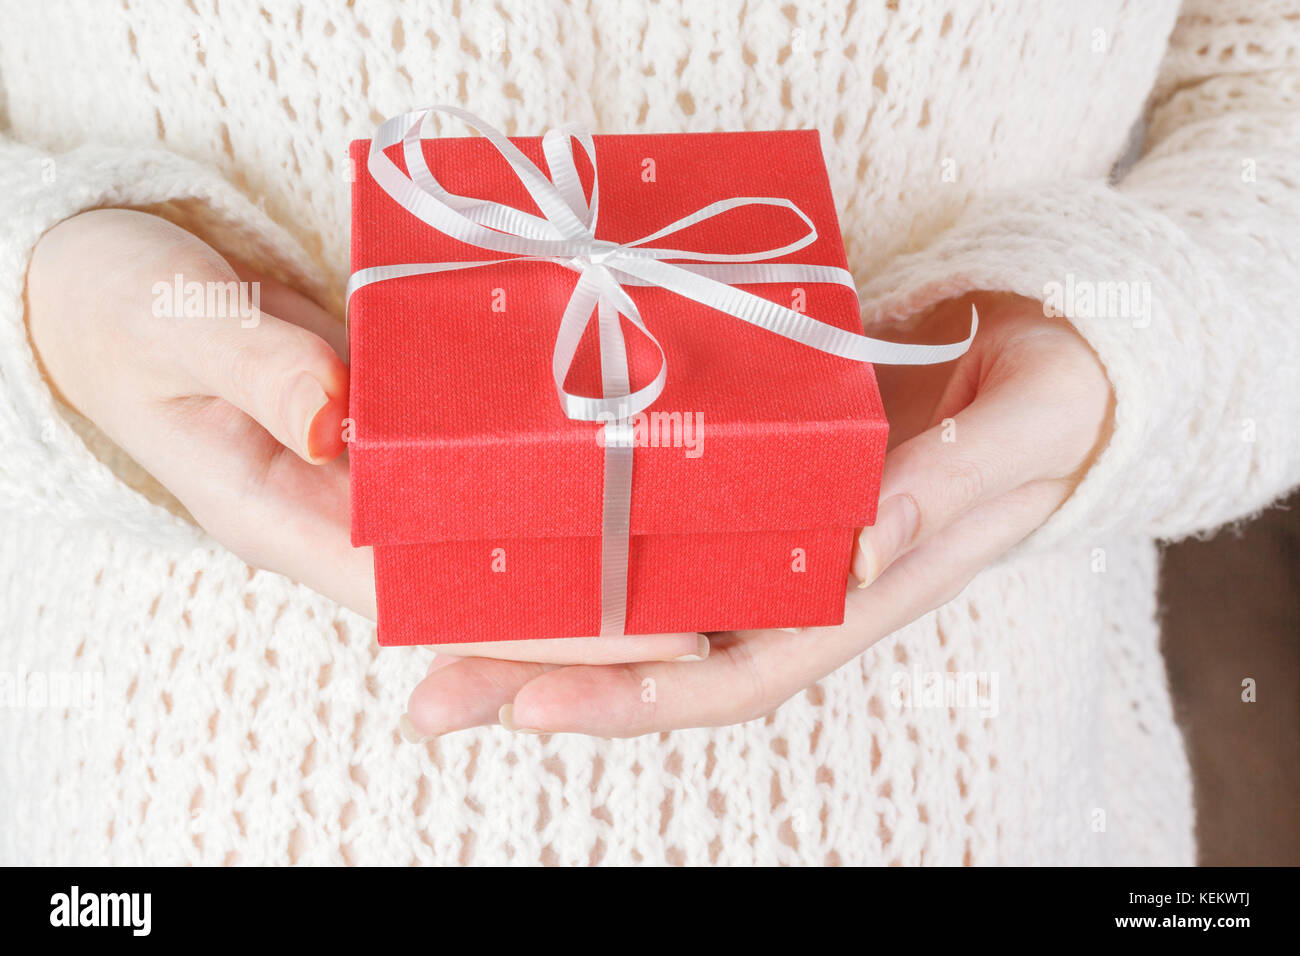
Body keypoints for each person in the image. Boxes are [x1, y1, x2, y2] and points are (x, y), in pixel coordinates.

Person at [2, 0, 1296, 865]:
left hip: (987, 800)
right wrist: (40, 296)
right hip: (172, 808)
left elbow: (1267, 72)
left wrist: (1154, 339)